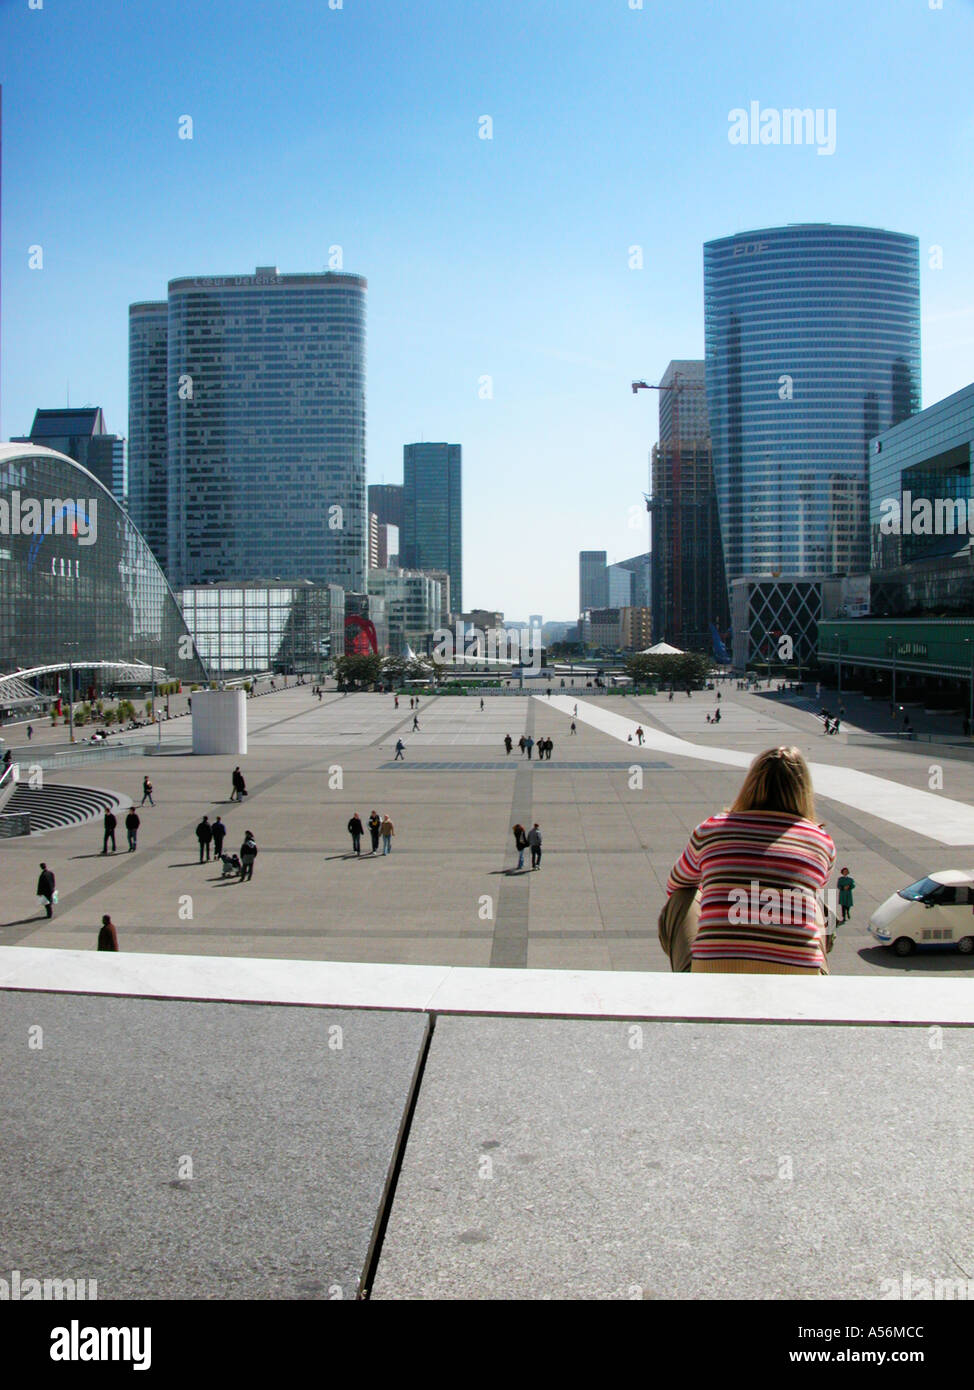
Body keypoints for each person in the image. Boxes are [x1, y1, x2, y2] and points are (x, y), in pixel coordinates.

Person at [660, 746, 835, 974]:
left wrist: (719, 892)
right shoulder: (821, 840)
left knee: (681, 898)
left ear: (750, 784)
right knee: (818, 905)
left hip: (713, 976)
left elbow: (676, 884)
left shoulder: (711, 829)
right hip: (799, 981)